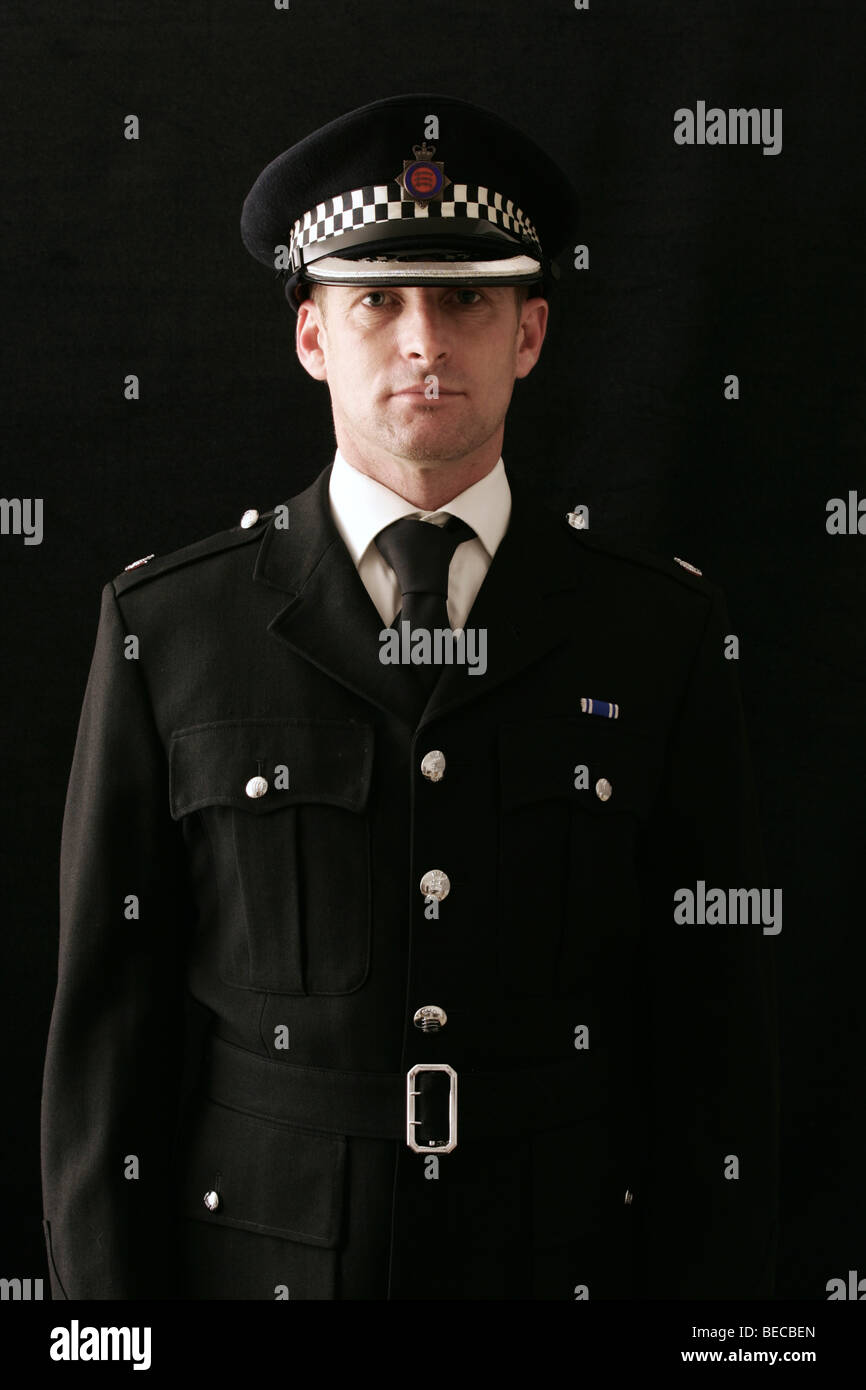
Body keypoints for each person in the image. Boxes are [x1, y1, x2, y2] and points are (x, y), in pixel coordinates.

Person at [40, 92, 779, 1301]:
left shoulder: (659, 631)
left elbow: (710, 1045)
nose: (424, 341)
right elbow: (104, 1049)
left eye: (467, 300)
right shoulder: (166, 630)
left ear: (529, 334)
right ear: (311, 338)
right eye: (377, 300)